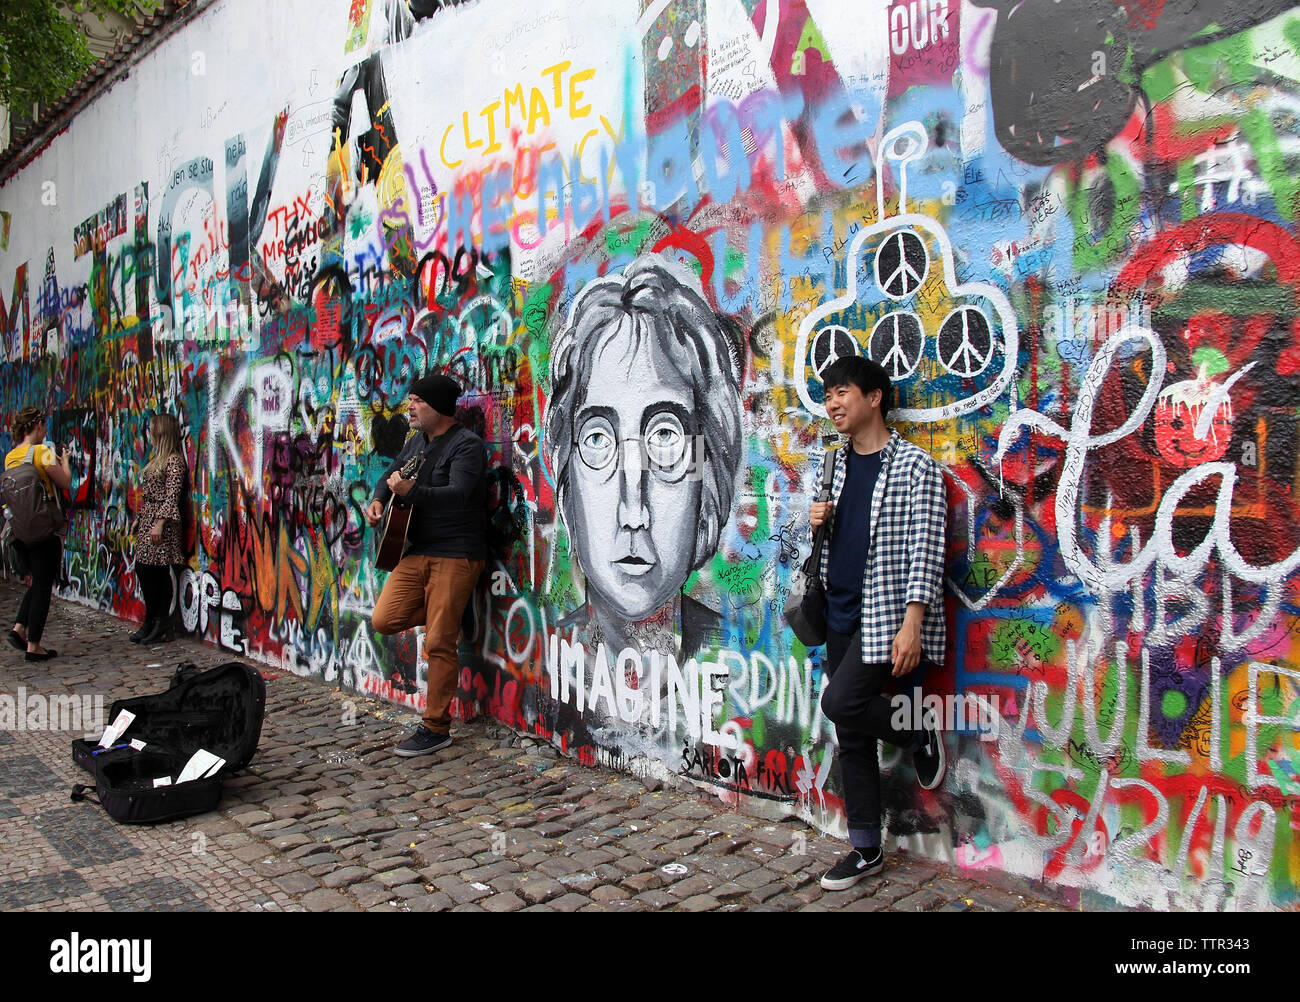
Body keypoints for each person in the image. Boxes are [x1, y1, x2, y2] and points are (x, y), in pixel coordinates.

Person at [543, 254, 743, 659]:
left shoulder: (734, 657)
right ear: (568, 481)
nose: (633, 512)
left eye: (666, 436)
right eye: (597, 439)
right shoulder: (549, 652)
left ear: (708, 476)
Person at [808, 355, 948, 890]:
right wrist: (816, 519)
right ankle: (865, 849)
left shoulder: (915, 468)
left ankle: (915, 728)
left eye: (842, 390)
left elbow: (927, 548)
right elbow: (825, 546)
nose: (833, 402)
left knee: (840, 703)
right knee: (850, 734)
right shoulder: (830, 465)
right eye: (827, 395)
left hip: (884, 616)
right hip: (839, 613)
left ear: (874, 397)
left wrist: (913, 622)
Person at [365, 373, 487, 756]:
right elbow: (391, 475)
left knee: (438, 643)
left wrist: (412, 491)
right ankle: (448, 610)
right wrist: (380, 499)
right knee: (384, 619)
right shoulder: (416, 442)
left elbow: (460, 495)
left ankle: (435, 727)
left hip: (457, 551)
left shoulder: (466, 446)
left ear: (437, 406)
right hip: (417, 550)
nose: (410, 407)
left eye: (417, 400)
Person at [5, 407, 72, 662]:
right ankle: (34, 646)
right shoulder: (42, 452)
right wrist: (64, 459)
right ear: (37, 426)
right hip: (44, 528)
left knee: (37, 581)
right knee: (44, 586)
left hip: (20, 531)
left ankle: (19, 628)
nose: (45, 431)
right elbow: (64, 482)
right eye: (44, 426)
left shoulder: (10, 457)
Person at [131, 414, 189, 645]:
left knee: (155, 571)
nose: (149, 434)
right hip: (150, 517)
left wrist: (160, 523)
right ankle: (152, 619)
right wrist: (141, 518)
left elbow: (171, 496)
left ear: (161, 432)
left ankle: (160, 621)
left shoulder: (174, 461)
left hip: (162, 523)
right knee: (145, 569)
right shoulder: (158, 458)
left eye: (153, 430)